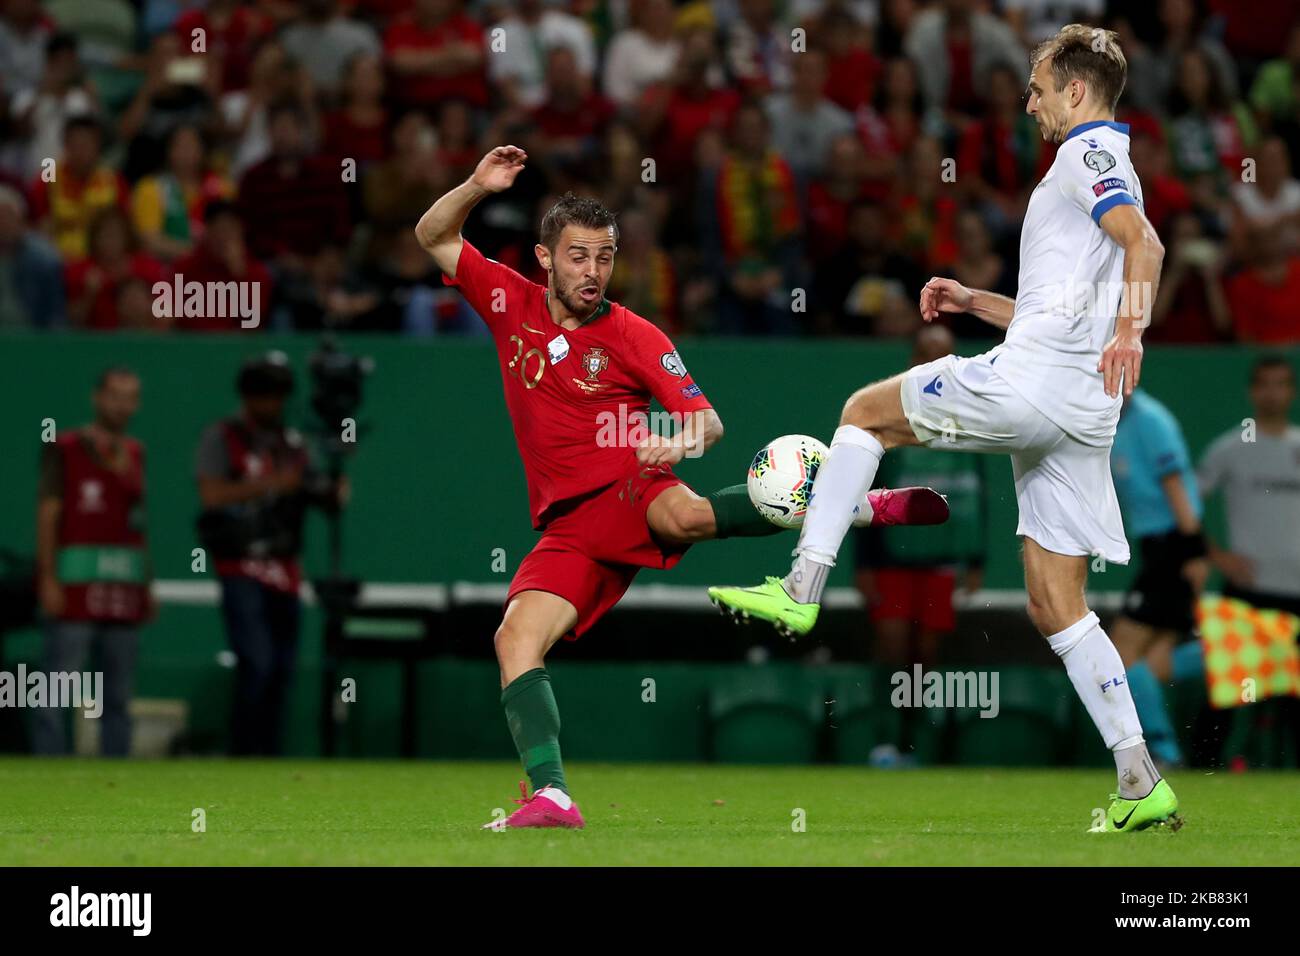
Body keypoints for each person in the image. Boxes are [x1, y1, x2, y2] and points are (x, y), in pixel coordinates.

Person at [711, 25, 1181, 832]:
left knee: (864, 414)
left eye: (1037, 86)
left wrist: (1132, 330)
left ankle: (801, 588)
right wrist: (976, 303)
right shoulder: (1090, 169)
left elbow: (1147, 241)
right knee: (1055, 604)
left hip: (1040, 389)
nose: (1028, 101)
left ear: (1074, 92)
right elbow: (1053, 314)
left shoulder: (1087, 153)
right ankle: (1141, 779)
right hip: (1077, 409)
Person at [416, 146, 945, 829]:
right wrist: (476, 186)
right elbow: (433, 235)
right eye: (577, 256)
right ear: (545, 259)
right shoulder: (505, 298)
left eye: (604, 257)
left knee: (687, 517)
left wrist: (681, 440)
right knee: (515, 639)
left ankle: (850, 504)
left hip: (630, 485)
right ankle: (551, 794)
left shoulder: (633, 333)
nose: (592, 271)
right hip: (568, 529)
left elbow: (708, 421)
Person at [194, 353, 347, 755]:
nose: (271, 404)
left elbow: (323, 497)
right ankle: (243, 753)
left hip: (285, 567)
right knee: (256, 664)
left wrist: (333, 482)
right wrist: (277, 484)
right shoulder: (222, 436)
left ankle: (267, 757)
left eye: (277, 395)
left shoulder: (293, 444)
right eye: (263, 394)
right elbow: (211, 494)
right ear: (247, 396)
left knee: (281, 669)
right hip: (240, 564)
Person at [33, 368, 150, 756]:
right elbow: (48, 514)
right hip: (75, 586)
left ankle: (116, 777)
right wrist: (47, 577)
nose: (122, 405)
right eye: (114, 395)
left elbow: (139, 521)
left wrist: (147, 584)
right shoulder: (64, 447)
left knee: (117, 692)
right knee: (57, 685)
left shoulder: (135, 453)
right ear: (97, 398)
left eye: (130, 396)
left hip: (124, 587)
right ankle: (49, 771)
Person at [1108, 388, 1208, 767]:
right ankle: (1166, 753)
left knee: (1121, 652)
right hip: (1159, 548)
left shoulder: (1152, 421)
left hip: (1172, 548)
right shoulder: (1112, 419)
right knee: (1152, 665)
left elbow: (1176, 488)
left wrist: (1194, 552)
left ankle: (1162, 750)